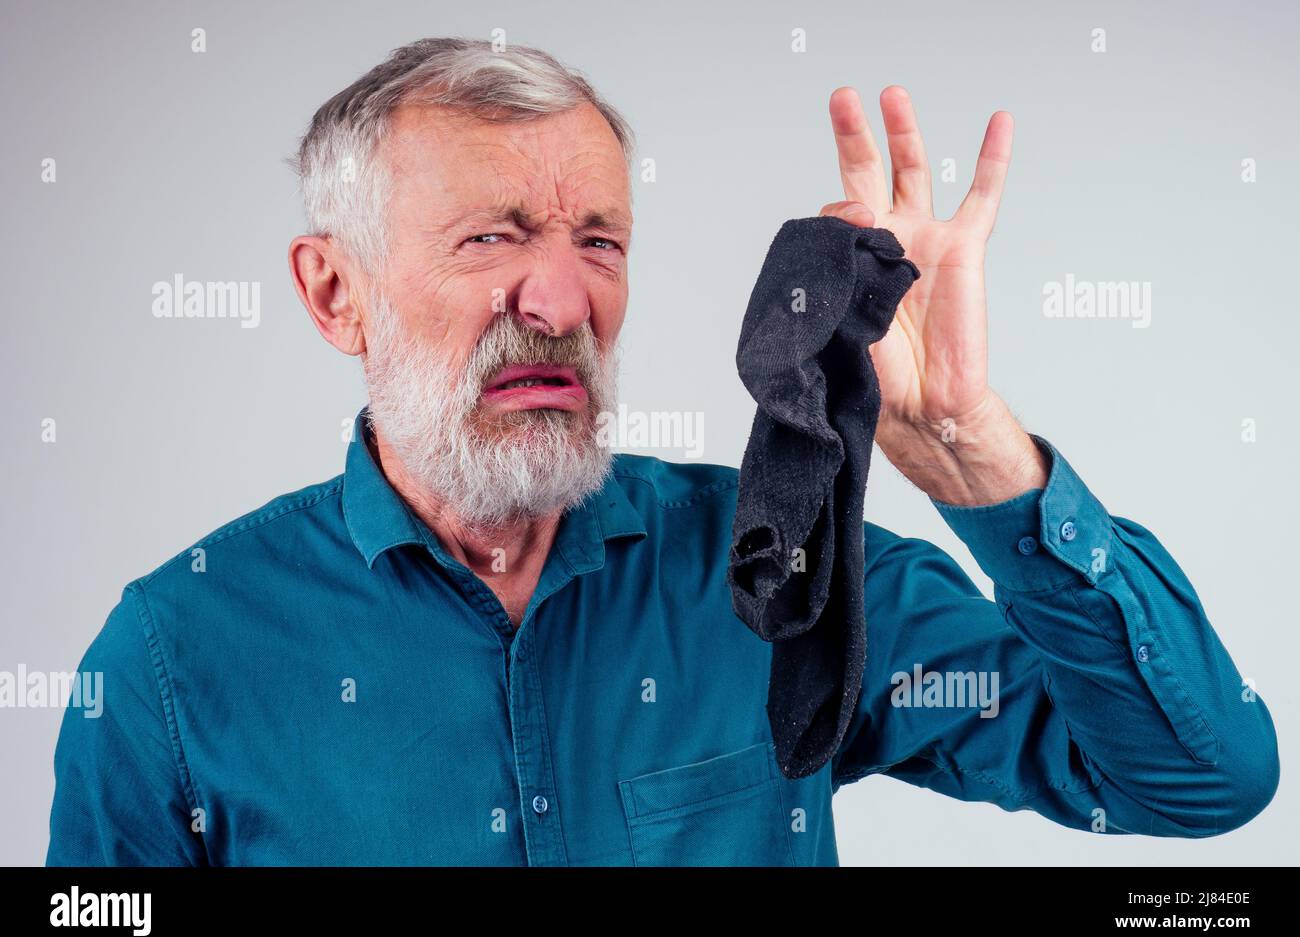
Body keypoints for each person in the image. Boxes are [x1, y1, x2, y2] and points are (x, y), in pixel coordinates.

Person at [46, 37, 1278, 866]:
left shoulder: (778, 574)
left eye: (600, 240)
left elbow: (1197, 777)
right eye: (491, 236)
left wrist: (977, 453)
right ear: (334, 293)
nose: (561, 299)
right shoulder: (174, 655)